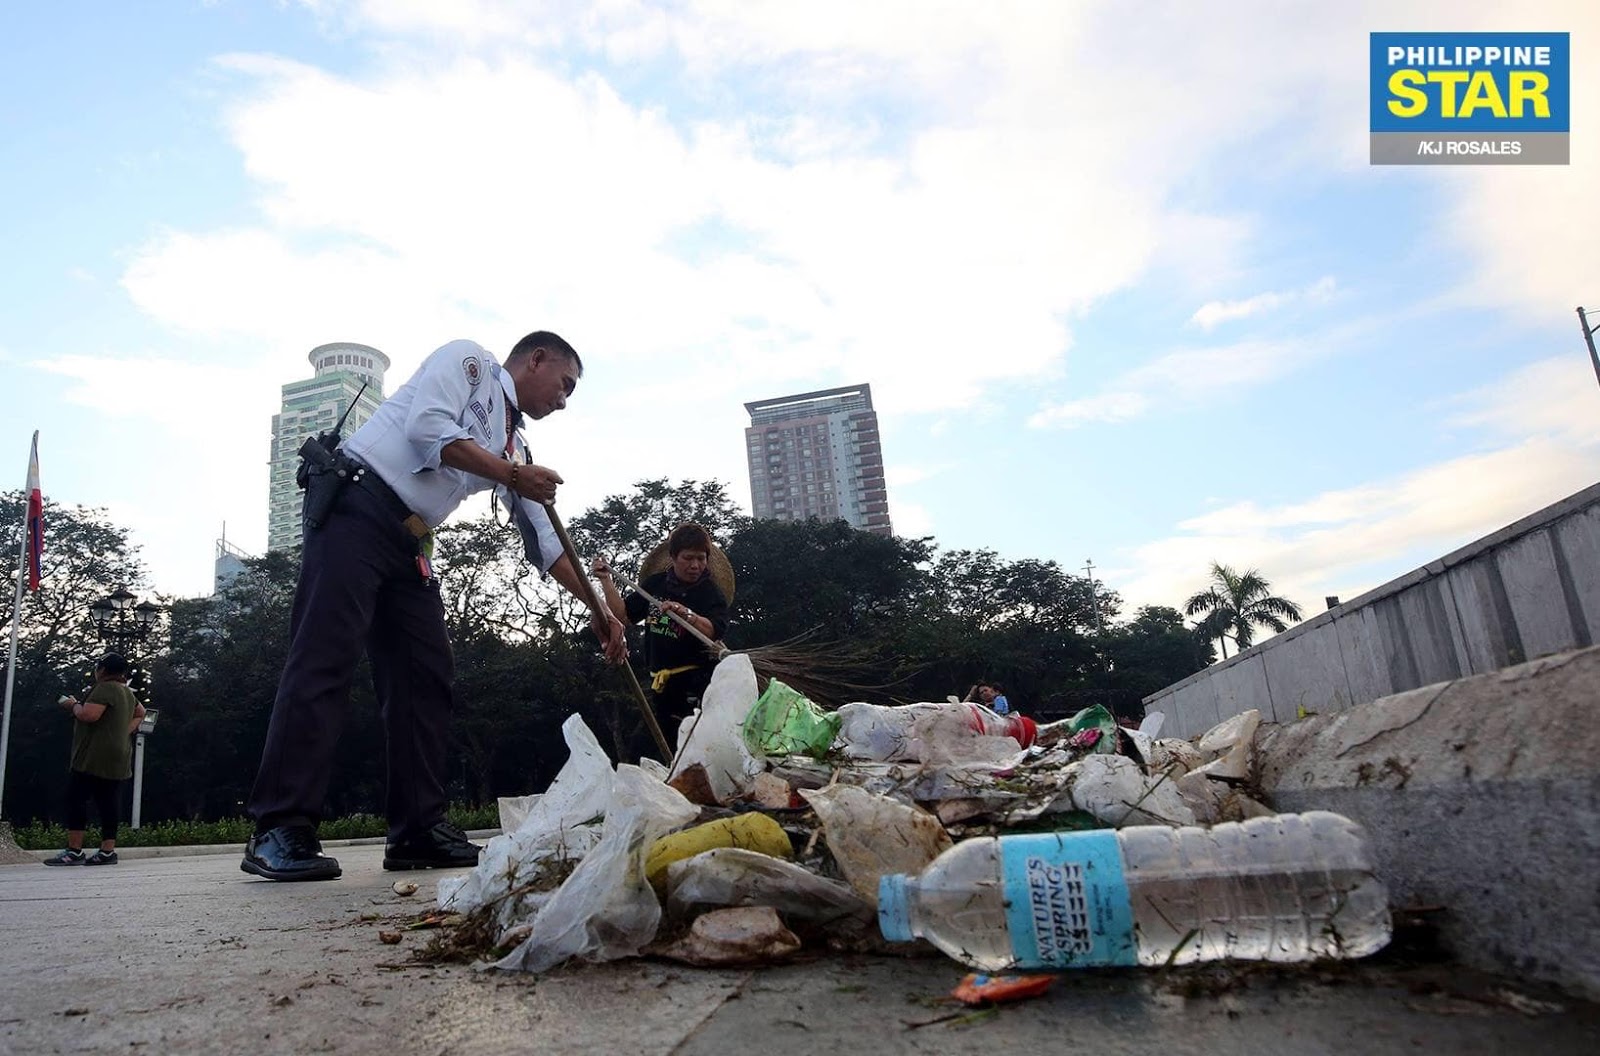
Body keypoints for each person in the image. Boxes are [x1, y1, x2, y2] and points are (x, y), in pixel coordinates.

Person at [242, 331, 627, 883]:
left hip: (409, 542)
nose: (563, 401)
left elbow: (545, 540)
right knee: (325, 658)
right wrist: (514, 477)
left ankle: (418, 829)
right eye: (564, 385)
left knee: (426, 676)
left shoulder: (514, 445)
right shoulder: (468, 362)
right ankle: (280, 826)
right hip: (358, 506)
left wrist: (599, 608)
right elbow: (428, 430)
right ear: (535, 359)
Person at [592, 522, 730, 746]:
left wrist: (686, 614)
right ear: (674, 557)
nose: (695, 565)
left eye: (701, 558)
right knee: (669, 746)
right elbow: (622, 615)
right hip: (661, 685)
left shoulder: (710, 593)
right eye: (688, 558)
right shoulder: (656, 585)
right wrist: (606, 580)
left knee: (694, 746)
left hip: (696, 685)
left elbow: (713, 630)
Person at [44, 653, 146, 867]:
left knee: (76, 798)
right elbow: (141, 712)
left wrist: (72, 704)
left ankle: (74, 850)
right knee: (109, 801)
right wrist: (123, 732)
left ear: (102, 670)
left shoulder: (104, 688)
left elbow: (89, 715)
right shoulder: (126, 692)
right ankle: (107, 851)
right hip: (118, 755)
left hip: (94, 755)